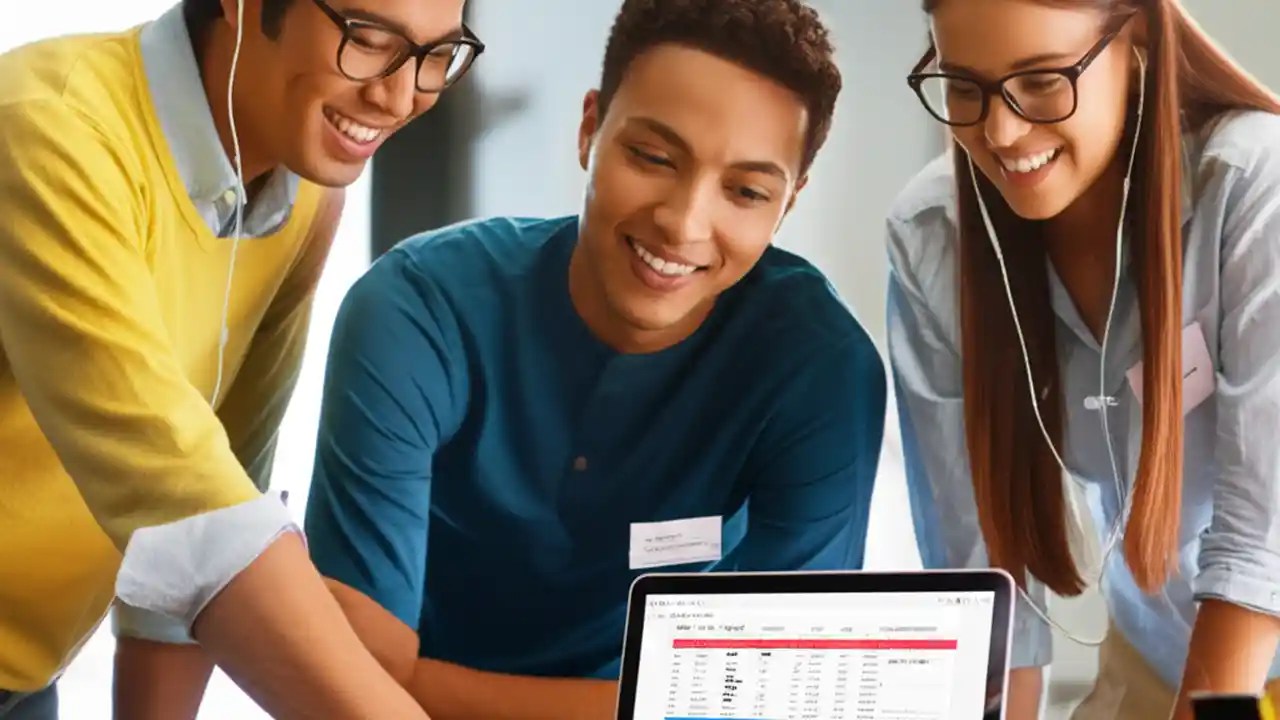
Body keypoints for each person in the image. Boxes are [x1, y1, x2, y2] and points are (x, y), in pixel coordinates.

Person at [301, 0, 886, 716]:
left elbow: (779, 694)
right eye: (652, 158)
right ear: (590, 130)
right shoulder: (417, 310)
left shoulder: (819, 371)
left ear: (787, 205)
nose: (683, 222)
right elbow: (354, 679)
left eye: (746, 191)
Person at [0, 0, 483, 716]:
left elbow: (226, 483)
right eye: (369, 37)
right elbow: (179, 491)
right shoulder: (52, 127)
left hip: (27, 673)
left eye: (437, 55)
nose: (399, 93)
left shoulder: (307, 192)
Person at [886, 0, 1280, 718]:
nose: (999, 133)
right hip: (1163, 645)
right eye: (964, 86)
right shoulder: (934, 236)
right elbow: (986, 586)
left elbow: (1262, 547)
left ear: (1133, 37)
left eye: (1040, 80)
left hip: (1246, 630)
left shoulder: (1254, 181)